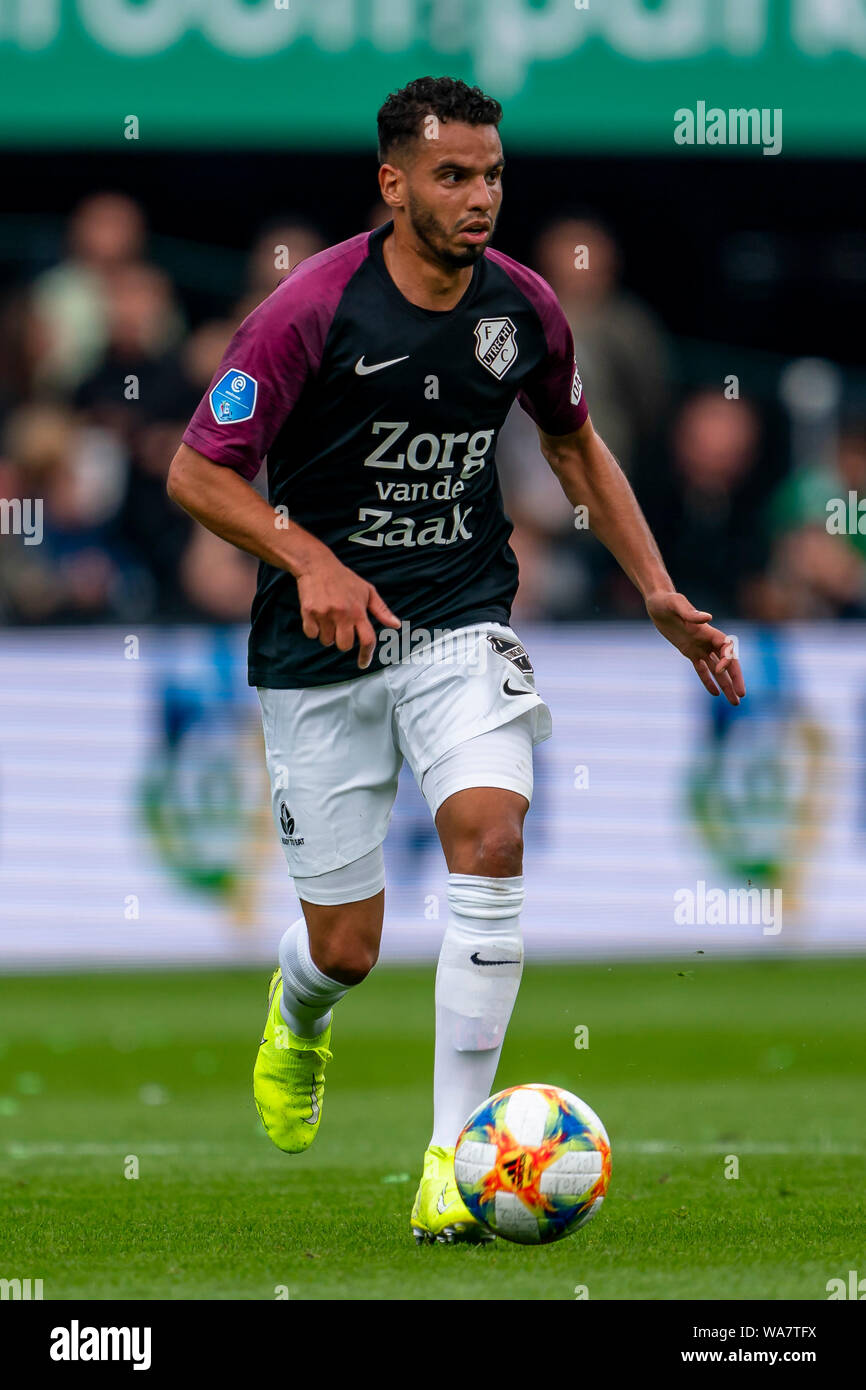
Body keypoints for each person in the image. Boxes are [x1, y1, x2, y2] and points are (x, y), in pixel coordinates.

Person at [166, 76, 744, 1245]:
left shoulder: (523, 308)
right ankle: (299, 1005)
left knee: (489, 836)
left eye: (490, 175)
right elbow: (196, 472)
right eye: (450, 176)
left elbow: (577, 450)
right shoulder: (308, 311)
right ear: (392, 184)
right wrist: (311, 561)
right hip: (318, 645)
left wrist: (657, 592)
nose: (477, 197)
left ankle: (446, 1159)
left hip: (462, 622)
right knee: (348, 947)